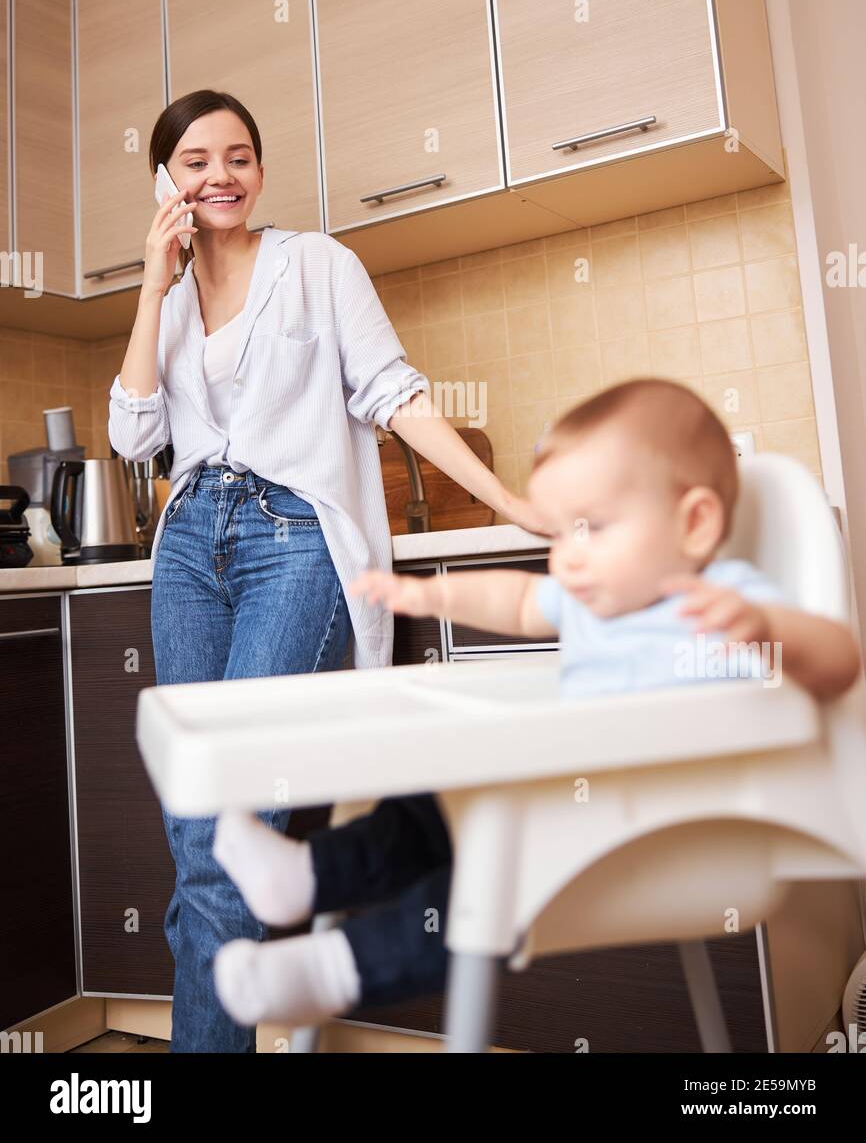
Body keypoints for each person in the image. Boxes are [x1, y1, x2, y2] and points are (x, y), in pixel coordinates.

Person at [208, 378, 861, 1031]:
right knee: (429, 807)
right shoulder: (592, 598)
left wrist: (768, 630)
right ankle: (309, 875)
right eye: (560, 534)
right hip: (564, 803)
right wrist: (434, 598)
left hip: (658, 840)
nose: (567, 558)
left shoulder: (724, 600)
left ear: (693, 525)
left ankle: (331, 970)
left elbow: (839, 661)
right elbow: (518, 601)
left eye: (591, 528)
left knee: (475, 885)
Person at [107, 88, 548, 1053]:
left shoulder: (319, 265)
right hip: (187, 553)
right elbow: (133, 432)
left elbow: (395, 393)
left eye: (238, 157)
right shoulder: (171, 307)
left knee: (228, 831)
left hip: (291, 537)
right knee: (199, 835)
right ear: (164, 181)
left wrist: (511, 500)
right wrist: (151, 282)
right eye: (194, 161)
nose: (219, 175)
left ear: (260, 170)